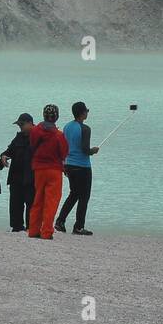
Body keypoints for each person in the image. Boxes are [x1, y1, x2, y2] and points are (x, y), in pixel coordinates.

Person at [56, 101, 99, 235]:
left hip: (69, 164)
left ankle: (60, 222)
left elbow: (64, 146)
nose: (87, 112)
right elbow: (85, 149)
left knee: (73, 194)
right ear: (82, 113)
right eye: (86, 110)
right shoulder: (86, 129)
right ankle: (79, 226)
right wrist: (93, 151)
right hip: (82, 166)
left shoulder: (67, 126)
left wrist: (63, 163)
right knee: (84, 197)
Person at [28, 104, 69, 239]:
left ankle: (33, 230)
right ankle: (46, 231)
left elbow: (32, 145)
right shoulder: (58, 135)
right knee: (51, 201)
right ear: (56, 117)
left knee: (38, 199)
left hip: (39, 169)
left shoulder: (35, 131)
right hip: (54, 170)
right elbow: (64, 153)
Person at [1, 114, 35, 233]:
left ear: (30, 123)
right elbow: (9, 151)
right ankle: (16, 227)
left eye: (22, 124)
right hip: (16, 176)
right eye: (19, 125)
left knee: (31, 203)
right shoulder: (18, 138)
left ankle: (31, 227)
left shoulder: (37, 136)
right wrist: (4, 156)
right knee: (15, 203)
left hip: (31, 177)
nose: (20, 127)